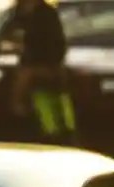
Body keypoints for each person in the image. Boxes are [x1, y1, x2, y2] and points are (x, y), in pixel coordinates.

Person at [10, 0, 75, 144]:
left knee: (51, 100)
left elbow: (54, 43)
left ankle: (55, 134)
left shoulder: (43, 15)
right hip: (42, 66)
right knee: (46, 100)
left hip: (44, 66)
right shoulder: (22, 14)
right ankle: (53, 132)